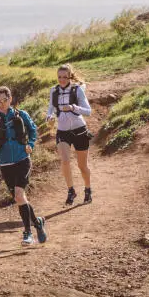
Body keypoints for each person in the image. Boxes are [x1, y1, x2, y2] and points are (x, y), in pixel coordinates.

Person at [0, 86, 47, 245]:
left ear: (10, 99)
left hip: (23, 160)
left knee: (19, 194)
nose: (0, 104)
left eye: (3, 101)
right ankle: (37, 223)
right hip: (5, 164)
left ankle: (27, 233)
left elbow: (33, 131)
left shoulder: (21, 115)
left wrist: (30, 144)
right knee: (20, 199)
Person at [46, 64, 92, 206]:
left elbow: (88, 111)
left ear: (70, 77)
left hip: (80, 130)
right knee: (65, 161)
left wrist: (73, 107)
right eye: (59, 77)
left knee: (82, 166)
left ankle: (88, 189)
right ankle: (71, 190)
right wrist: (49, 118)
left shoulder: (77, 90)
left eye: (65, 77)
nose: (62, 80)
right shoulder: (54, 91)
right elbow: (50, 110)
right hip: (62, 131)